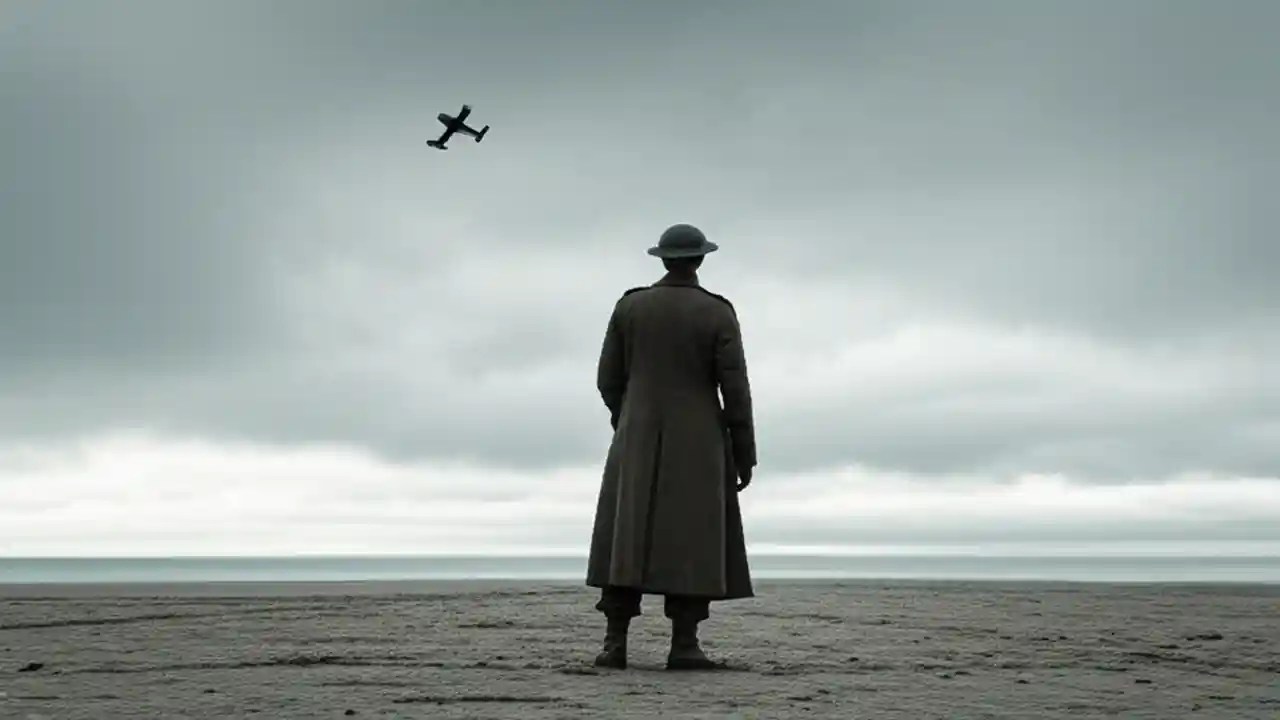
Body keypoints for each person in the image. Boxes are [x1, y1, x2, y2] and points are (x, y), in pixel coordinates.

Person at [586, 223, 757, 670]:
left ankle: (614, 643)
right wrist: (744, 452)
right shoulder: (717, 312)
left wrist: (627, 421)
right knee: (692, 539)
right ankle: (684, 645)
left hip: (635, 432)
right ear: (700, 259)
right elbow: (735, 389)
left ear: (662, 259)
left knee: (626, 536)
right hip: (699, 438)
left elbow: (608, 379)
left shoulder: (630, 307)